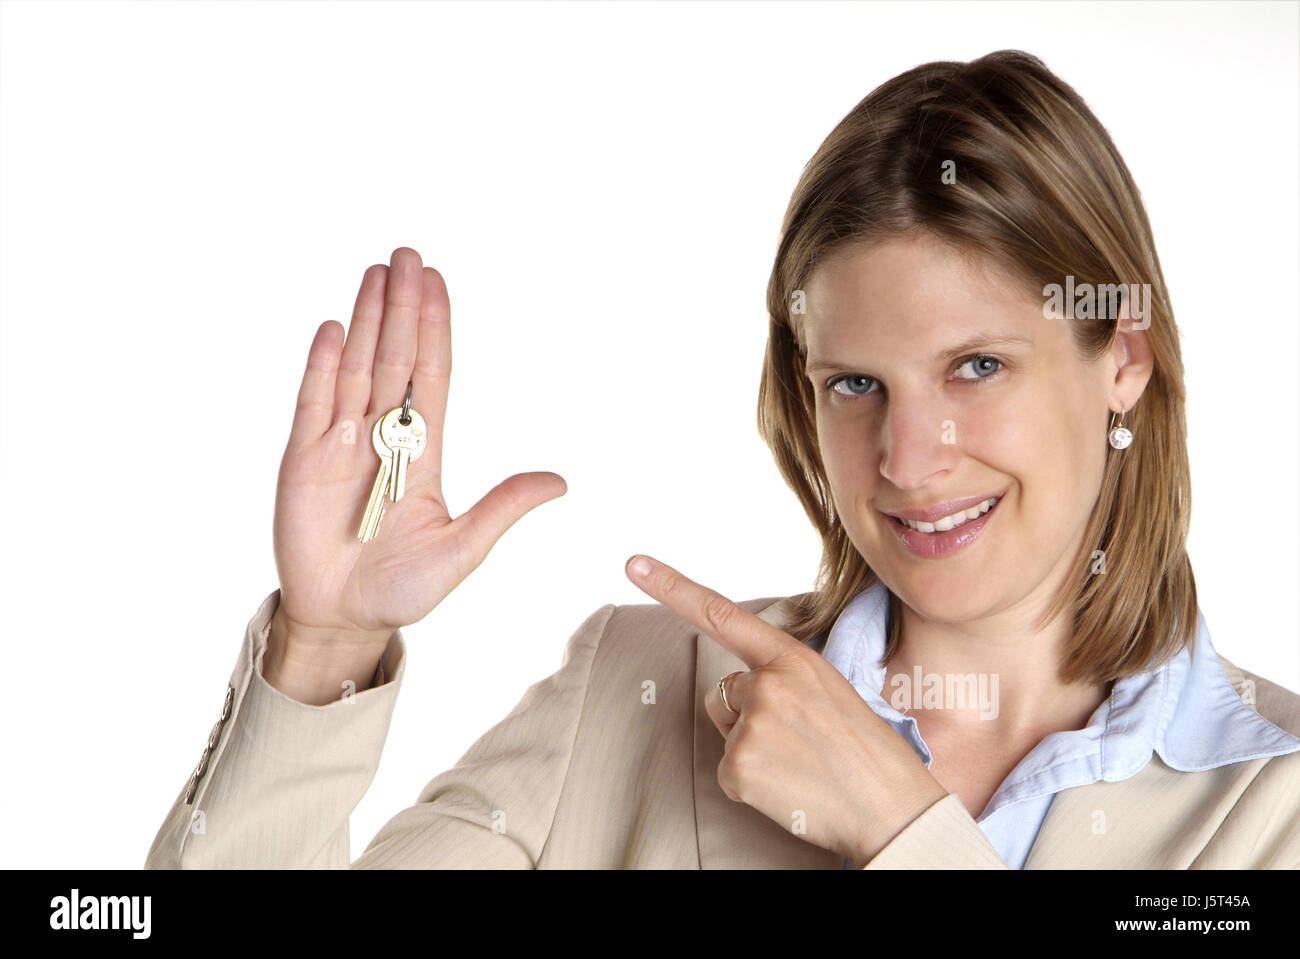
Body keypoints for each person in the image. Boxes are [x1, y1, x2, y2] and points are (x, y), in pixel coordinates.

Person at [145, 49, 1300, 870]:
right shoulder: (641, 690)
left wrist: (905, 831)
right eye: (857, 384)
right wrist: (325, 648)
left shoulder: (1270, 803)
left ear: (1124, 362)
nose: (906, 458)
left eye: (977, 368)